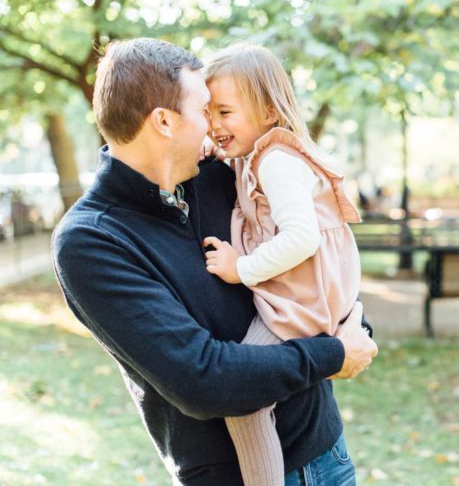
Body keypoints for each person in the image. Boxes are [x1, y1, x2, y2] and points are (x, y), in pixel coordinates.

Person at [51, 37, 378, 486]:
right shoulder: (92, 241)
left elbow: (314, 251)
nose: (213, 127)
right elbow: (204, 380)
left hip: (326, 456)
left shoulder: (220, 176)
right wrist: (332, 353)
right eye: (205, 110)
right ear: (164, 121)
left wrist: (352, 323)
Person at [200, 43, 363, 486]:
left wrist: (242, 268)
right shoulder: (253, 156)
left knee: (242, 394)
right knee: (247, 393)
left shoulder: (277, 161)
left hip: (301, 300)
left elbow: (303, 238)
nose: (214, 125)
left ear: (269, 111)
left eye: (225, 112)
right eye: (208, 112)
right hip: (302, 294)